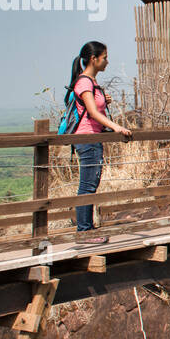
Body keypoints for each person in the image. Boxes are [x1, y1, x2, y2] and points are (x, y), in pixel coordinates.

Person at [68, 41, 131, 244]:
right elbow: (93, 113)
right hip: (87, 139)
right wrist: (116, 127)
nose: (107, 61)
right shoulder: (85, 82)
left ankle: (87, 229)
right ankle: (84, 232)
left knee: (91, 183)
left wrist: (105, 98)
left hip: (92, 139)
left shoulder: (91, 82)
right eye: (104, 57)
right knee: (87, 185)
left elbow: (93, 107)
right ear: (94, 59)